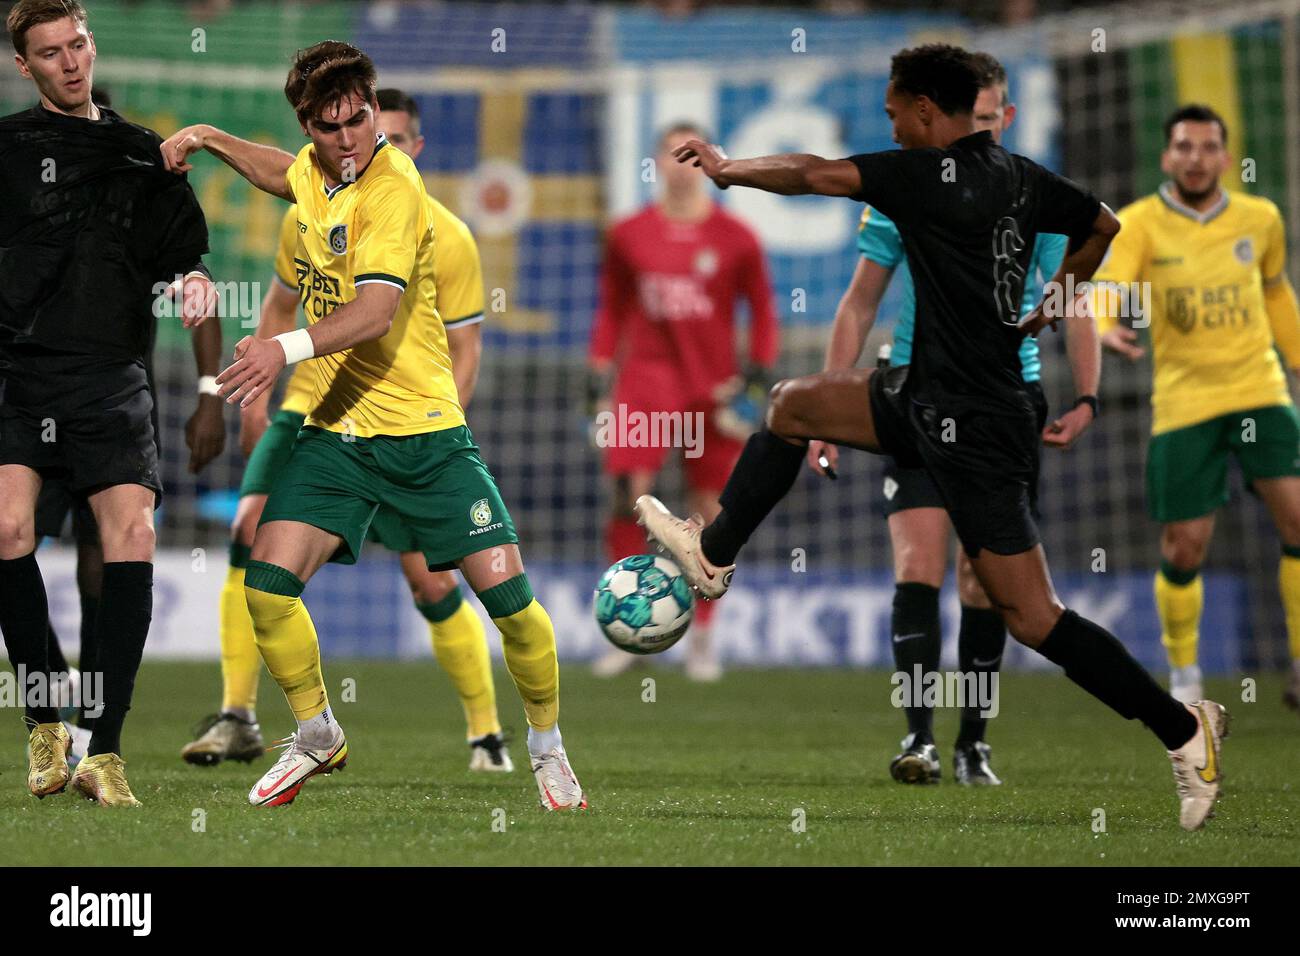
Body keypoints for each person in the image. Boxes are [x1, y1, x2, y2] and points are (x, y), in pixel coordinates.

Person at [638, 43, 1227, 831]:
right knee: (790, 405)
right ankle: (713, 556)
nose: (888, 123)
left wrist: (728, 169)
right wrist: (1062, 291)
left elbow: (814, 173)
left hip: (980, 423)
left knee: (1034, 616)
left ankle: (1185, 730)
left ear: (923, 111)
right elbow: (1104, 224)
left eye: (892, 111)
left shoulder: (920, 175)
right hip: (924, 395)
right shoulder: (1021, 177)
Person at [160, 41, 585, 809]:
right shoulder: (315, 173)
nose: (351, 137)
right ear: (310, 128)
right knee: (267, 585)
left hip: (425, 437)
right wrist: (209, 137)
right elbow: (275, 170)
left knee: (512, 609)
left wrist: (277, 350)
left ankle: (546, 746)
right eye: (331, 128)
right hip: (339, 437)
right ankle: (317, 732)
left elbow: (376, 311)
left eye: (359, 120)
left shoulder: (392, 188)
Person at [182, 88, 513, 772]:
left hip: (406, 421)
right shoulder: (307, 208)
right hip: (313, 408)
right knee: (250, 529)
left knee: (430, 579)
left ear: (412, 149)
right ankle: (238, 715)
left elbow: (466, 352)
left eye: (381, 137)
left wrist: (440, 433)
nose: (356, 149)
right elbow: (277, 304)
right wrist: (251, 397)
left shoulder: (446, 237)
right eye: (341, 137)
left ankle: (485, 733)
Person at [807, 52, 1099, 786]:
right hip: (916, 393)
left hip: (1005, 401)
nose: (984, 123)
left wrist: (1086, 395)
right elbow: (859, 300)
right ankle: (919, 738)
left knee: (983, 580)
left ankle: (974, 742)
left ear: (1006, 116)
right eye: (977, 111)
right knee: (916, 563)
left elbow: (1076, 294)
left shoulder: (1033, 192)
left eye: (995, 113)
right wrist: (829, 404)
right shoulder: (910, 187)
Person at [0, 0, 214, 806]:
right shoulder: (7, 151)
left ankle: (106, 749)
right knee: (7, 527)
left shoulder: (141, 156)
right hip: (18, 373)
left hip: (110, 377)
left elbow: (185, 257)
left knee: (132, 535)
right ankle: (44, 714)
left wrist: (192, 280)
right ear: (25, 65)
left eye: (77, 44)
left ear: (92, 43)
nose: (68, 61)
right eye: (49, 52)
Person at [1094, 104, 1300, 710]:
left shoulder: (1260, 219)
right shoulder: (1140, 224)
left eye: (1208, 147)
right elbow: (1109, 285)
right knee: (1185, 546)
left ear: (1225, 157)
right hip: (1185, 402)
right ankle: (1185, 673)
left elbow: (1275, 290)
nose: (1195, 158)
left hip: (1259, 391)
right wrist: (1106, 326)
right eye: (1184, 147)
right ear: (1167, 157)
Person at [588, 121, 778, 682]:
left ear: (711, 162)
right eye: (672, 155)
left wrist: (756, 380)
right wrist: (597, 374)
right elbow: (612, 310)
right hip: (646, 382)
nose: (681, 166)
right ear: (655, 163)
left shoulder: (737, 238)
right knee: (629, 498)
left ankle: (704, 636)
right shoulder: (628, 233)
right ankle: (624, 621)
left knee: (712, 514)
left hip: (712, 388)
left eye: (694, 156)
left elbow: (764, 313)